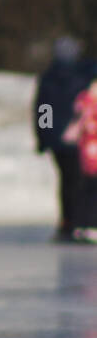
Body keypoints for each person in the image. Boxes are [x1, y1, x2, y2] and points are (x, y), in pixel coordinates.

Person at [34, 38, 97, 242]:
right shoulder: (85, 75)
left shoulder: (50, 79)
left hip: (60, 141)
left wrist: (46, 136)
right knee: (81, 182)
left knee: (68, 182)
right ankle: (80, 224)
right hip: (82, 139)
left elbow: (44, 110)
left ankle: (69, 222)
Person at [61, 79, 97, 242]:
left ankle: (82, 225)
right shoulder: (86, 106)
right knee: (88, 191)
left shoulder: (83, 104)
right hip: (89, 157)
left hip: (87, 155)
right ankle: (87, 225)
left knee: (85, 191)